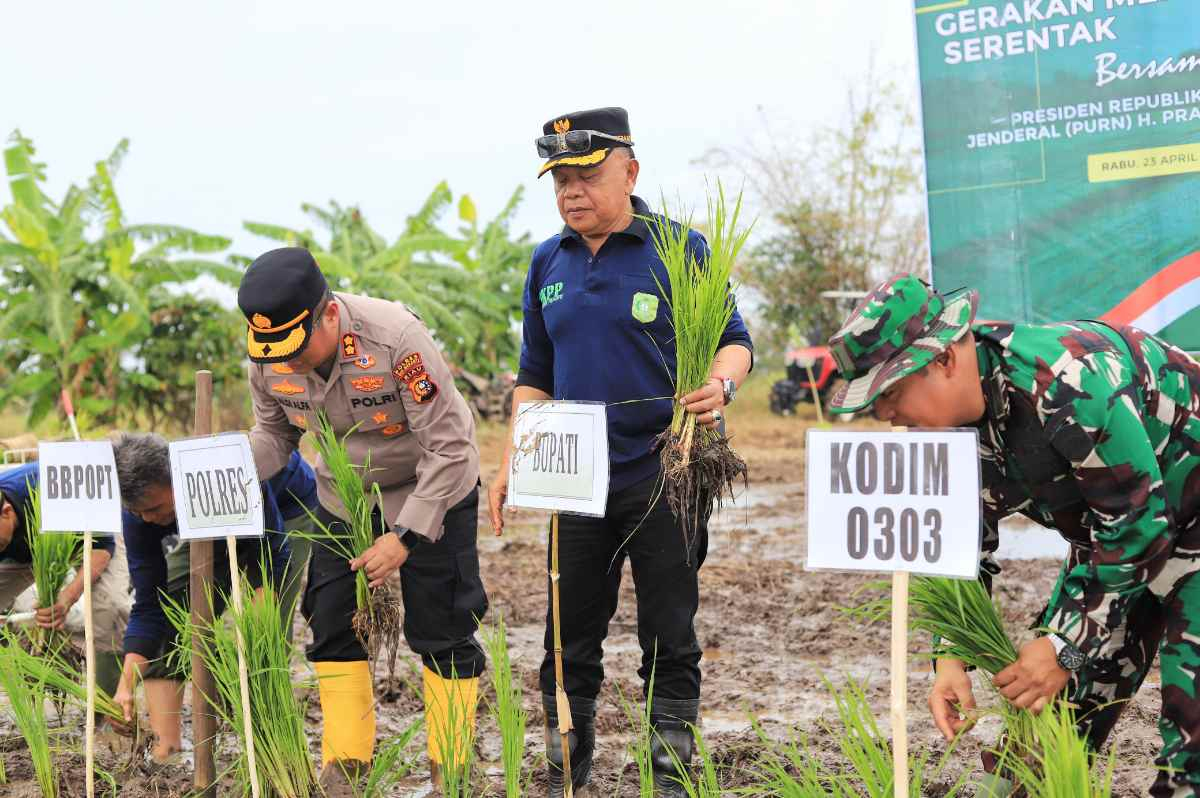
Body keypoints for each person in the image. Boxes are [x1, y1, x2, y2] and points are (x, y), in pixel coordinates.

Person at [827, 272, 1200, 797]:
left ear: (943, 360)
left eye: (890, 391)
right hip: (1116, 544)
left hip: (1182, 521)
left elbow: (1141, 526)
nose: (885, 413)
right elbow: (961, 546)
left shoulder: (1070, 380)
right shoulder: (945, 433)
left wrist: (1064, 645)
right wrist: (950, 656)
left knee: (1191, 743)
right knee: (1043, 738)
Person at [488, 107, 754, 796]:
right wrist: (514, 454)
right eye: (560, 180)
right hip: (575, 482)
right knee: (565, 637)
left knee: (669, 634)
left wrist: (719, 384)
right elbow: (534, 375)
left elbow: (734, 339)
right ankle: (566, 776)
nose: (572, 192)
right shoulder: (548, 260)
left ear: (629, 172)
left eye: (587, 175)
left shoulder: (678, 248)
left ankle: (669, 781)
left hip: (662, 471)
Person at [238, 246, 487, 793]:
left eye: (294, 347)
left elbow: (450, 448)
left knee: (442, 628)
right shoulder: (268, 356)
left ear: (328, 314)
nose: (285, 361)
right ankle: (345, 768)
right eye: (273, 351)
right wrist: (225, 473)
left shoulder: (395, 339)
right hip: (343, 494)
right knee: (329, 620)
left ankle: (452, 772)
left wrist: (404, 538)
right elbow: (276, 437)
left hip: (430, 487)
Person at [109, 432, 292, 764]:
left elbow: (273, 555)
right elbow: (150, 601)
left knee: (265, 639)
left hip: (286, 511)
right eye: (139, 513)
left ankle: (272, 753)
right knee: (174, 613)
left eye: (154, 508)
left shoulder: (229, 473)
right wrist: (125, 685)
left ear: (176, 479)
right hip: (199, 529)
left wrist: (255, 621)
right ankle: (166, 749)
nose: (147, 519)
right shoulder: (138, 515)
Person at [0, 460, 129, 699]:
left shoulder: (46, 488)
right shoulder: (5, 529)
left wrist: (68, 597)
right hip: (24, 553)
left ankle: (108, 710)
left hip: (91, 542)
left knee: (109, 607)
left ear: (7, 512)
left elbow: (102, 548)